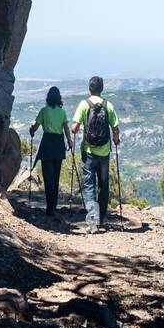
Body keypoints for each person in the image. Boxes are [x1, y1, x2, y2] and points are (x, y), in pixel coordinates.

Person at [71, 76, 120, 233]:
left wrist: (77, 129)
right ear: (102, 88)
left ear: (89, 88)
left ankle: (92, 221)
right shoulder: (108, 105)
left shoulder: (84, 104)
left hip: (89, 152)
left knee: (89, 185)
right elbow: (115, 129)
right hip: (104, 152)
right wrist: (116, 140)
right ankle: (102, 219)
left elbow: (74, 128)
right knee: (103, 186)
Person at [29, 86, 73, 217]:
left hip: (47, 143)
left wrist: (31, 130)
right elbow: (66, 129)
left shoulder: (44, 111)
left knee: (48, 177)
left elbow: (35, 127)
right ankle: (53, 206)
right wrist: (70, 142)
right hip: (58, 144)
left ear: (48, 98)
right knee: (56, 176)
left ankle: (50, 208)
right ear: (59, 98)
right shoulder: (62, 112)